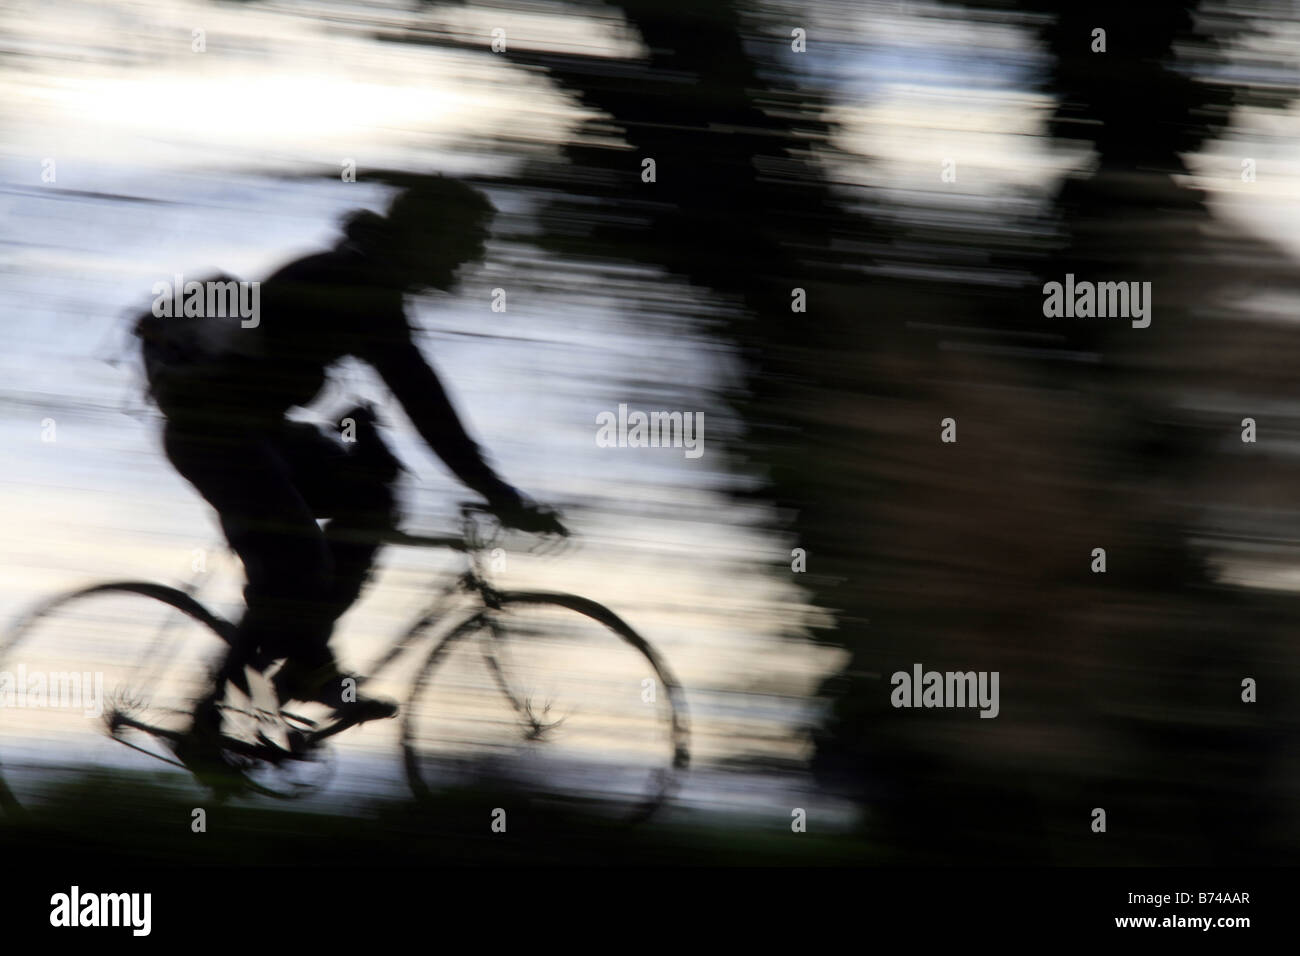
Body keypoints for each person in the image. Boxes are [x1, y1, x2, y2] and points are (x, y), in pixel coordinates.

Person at [133, 178, 565, 773]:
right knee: (296, 565)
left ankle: (306, 659)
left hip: (257, 432)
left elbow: (404, 391)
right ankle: (209, 725)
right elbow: (425, 402)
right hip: (216, 437)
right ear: (427, 235)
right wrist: (501, 496)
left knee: (370, 496)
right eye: (467, 240)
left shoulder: (364, 280)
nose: (474, 257)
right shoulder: (357, 283)